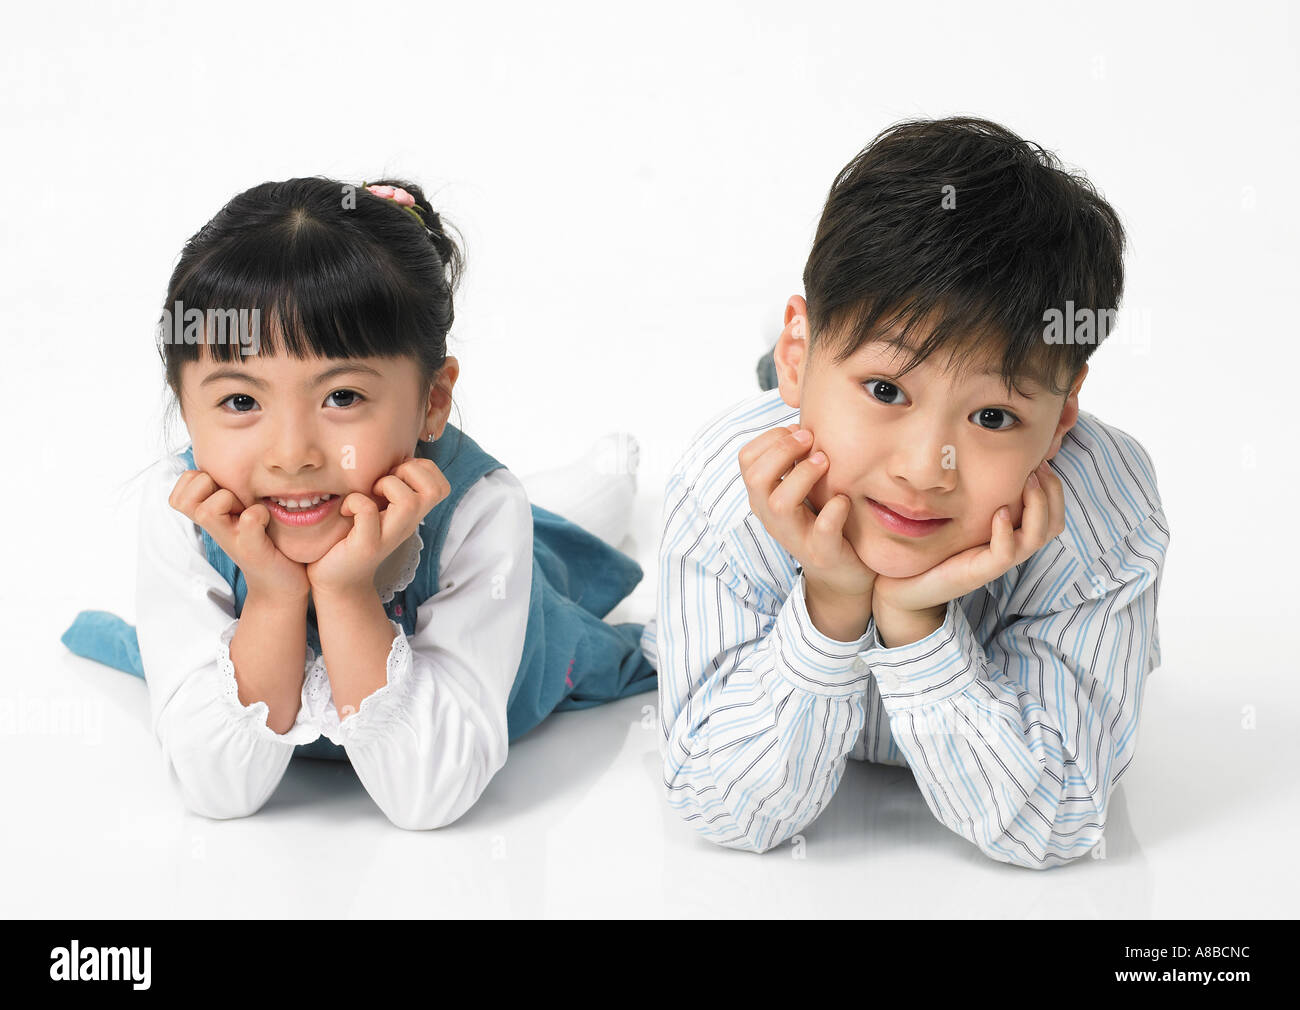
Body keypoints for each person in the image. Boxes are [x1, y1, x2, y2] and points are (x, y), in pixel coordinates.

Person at [646, 117, 1170, 869]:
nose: (928, 468)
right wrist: (830, 605)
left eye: (995, 416)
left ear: (1062, 419)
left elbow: (1061, 819)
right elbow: (720, 802)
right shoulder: (725, 487)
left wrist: (915, 623)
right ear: (799, 355)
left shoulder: (1099, 518)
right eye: (887, 389)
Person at [61, 177, 656, 830]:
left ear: (432, 400)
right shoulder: (182, 506)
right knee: (544, 518)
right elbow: (216, 791)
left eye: (341, 397)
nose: (292, 455)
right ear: (185, 407)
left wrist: (344, 594)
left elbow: (429, 799)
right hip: (397, 518)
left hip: (502, 566)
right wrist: (275, 594)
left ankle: (609, 479)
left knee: (561, 534)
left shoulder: (483, 511)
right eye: (240, 402)